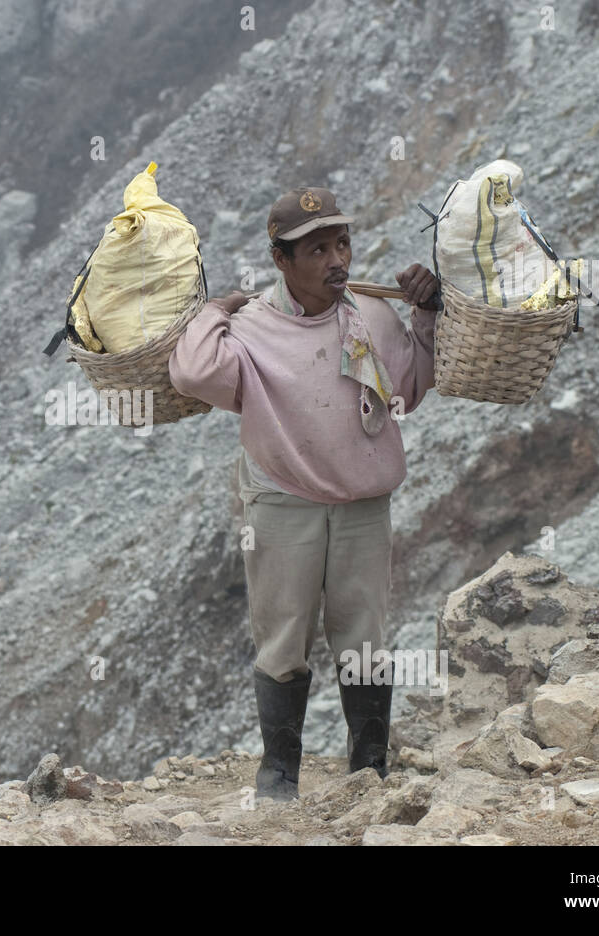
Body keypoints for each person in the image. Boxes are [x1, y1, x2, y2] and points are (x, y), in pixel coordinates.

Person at [168, 186, 441, 799]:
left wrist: (425, 314)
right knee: (283, 635)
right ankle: (279, 775)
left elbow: (411, 386)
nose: (336, 259)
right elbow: (190, 371)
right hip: (283, 498)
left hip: (362, 502)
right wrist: (216, 310)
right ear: (281, 260)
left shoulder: (370, 314)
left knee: (364, 633)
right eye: (316, 249)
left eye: (341, 242)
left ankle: (369, 770)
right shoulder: (252, 328)